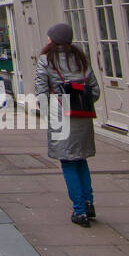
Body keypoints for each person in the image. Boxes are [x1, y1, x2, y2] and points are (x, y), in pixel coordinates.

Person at [35, 22, 101, 226]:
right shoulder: (81, 60)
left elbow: (41, 92)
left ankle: (79, 211)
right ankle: (89, 203)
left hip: (60, 116)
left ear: (54, 39)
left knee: (68, 162)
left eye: (49, 36)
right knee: (81, 160)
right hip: (83, 117)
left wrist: (49, 114)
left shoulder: (46, 61)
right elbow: (95, 92)